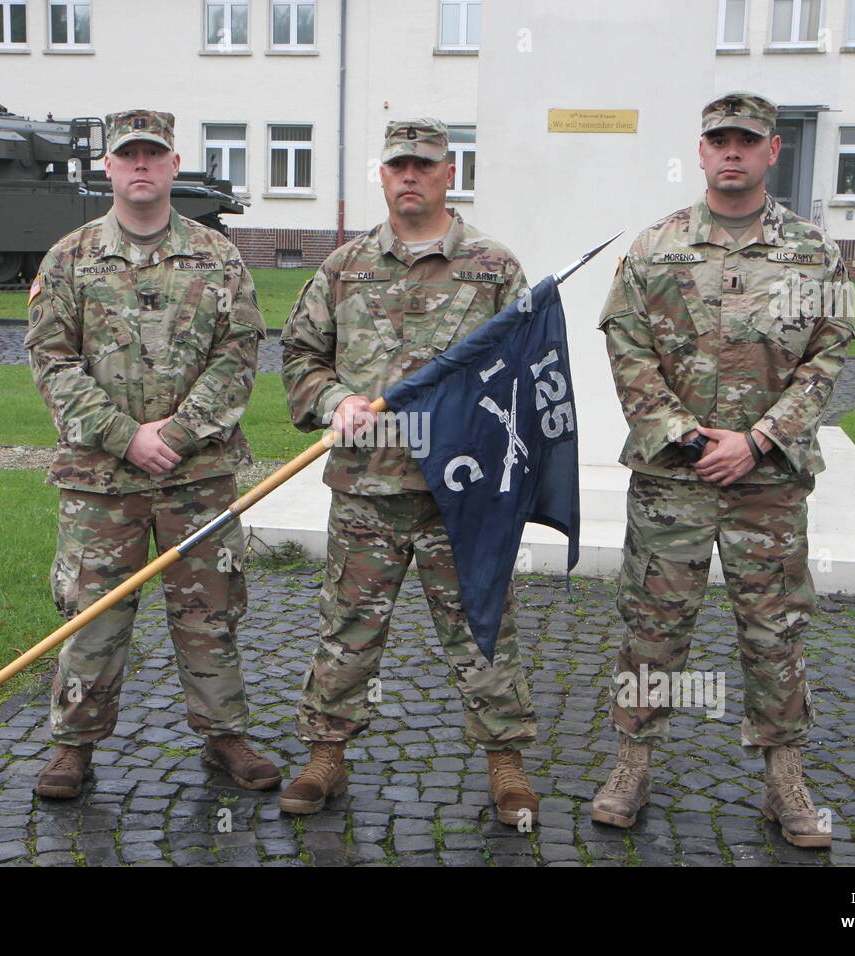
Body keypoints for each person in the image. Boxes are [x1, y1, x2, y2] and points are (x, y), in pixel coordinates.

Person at [592, 92, 855, 848]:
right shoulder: (654, 249)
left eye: (747, 140)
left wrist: (761, 439)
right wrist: (685, 435)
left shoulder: (814, 253)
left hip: (767, 486)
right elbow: (627, 348)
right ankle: (633, 763)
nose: (731, 152)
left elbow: (827, 357)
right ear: (700, 153)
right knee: (653, 625)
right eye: (719, 141)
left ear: (775, 151)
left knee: (775, 631)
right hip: (675, 479)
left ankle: (784, 780)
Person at [277, 117, 541, 826]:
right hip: (368, 489)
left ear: (448, 173)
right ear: (383, 174)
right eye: (398, 165)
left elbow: (526, 370)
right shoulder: (344, 267)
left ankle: (506, 761)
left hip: (460, 494)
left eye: (424, 164)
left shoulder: (493, 268)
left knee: (483, 626)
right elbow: (301, 357)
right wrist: (333, 401)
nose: (410, 177)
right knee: (349, 629)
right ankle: (326, 754)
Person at [24, 109, 277, 799]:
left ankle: (225, 735)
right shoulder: (70, 259)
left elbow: (239, 354)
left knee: (211, 609)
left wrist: (178, 433)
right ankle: (74, 746)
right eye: (127, 154)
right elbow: (52, 365)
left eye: (153, 154)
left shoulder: (217, 256)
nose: (141, 165)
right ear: (107, 166)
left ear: (172, 166)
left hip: (197, 475)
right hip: (101, 481)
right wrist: (125, 435)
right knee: (92, 614)